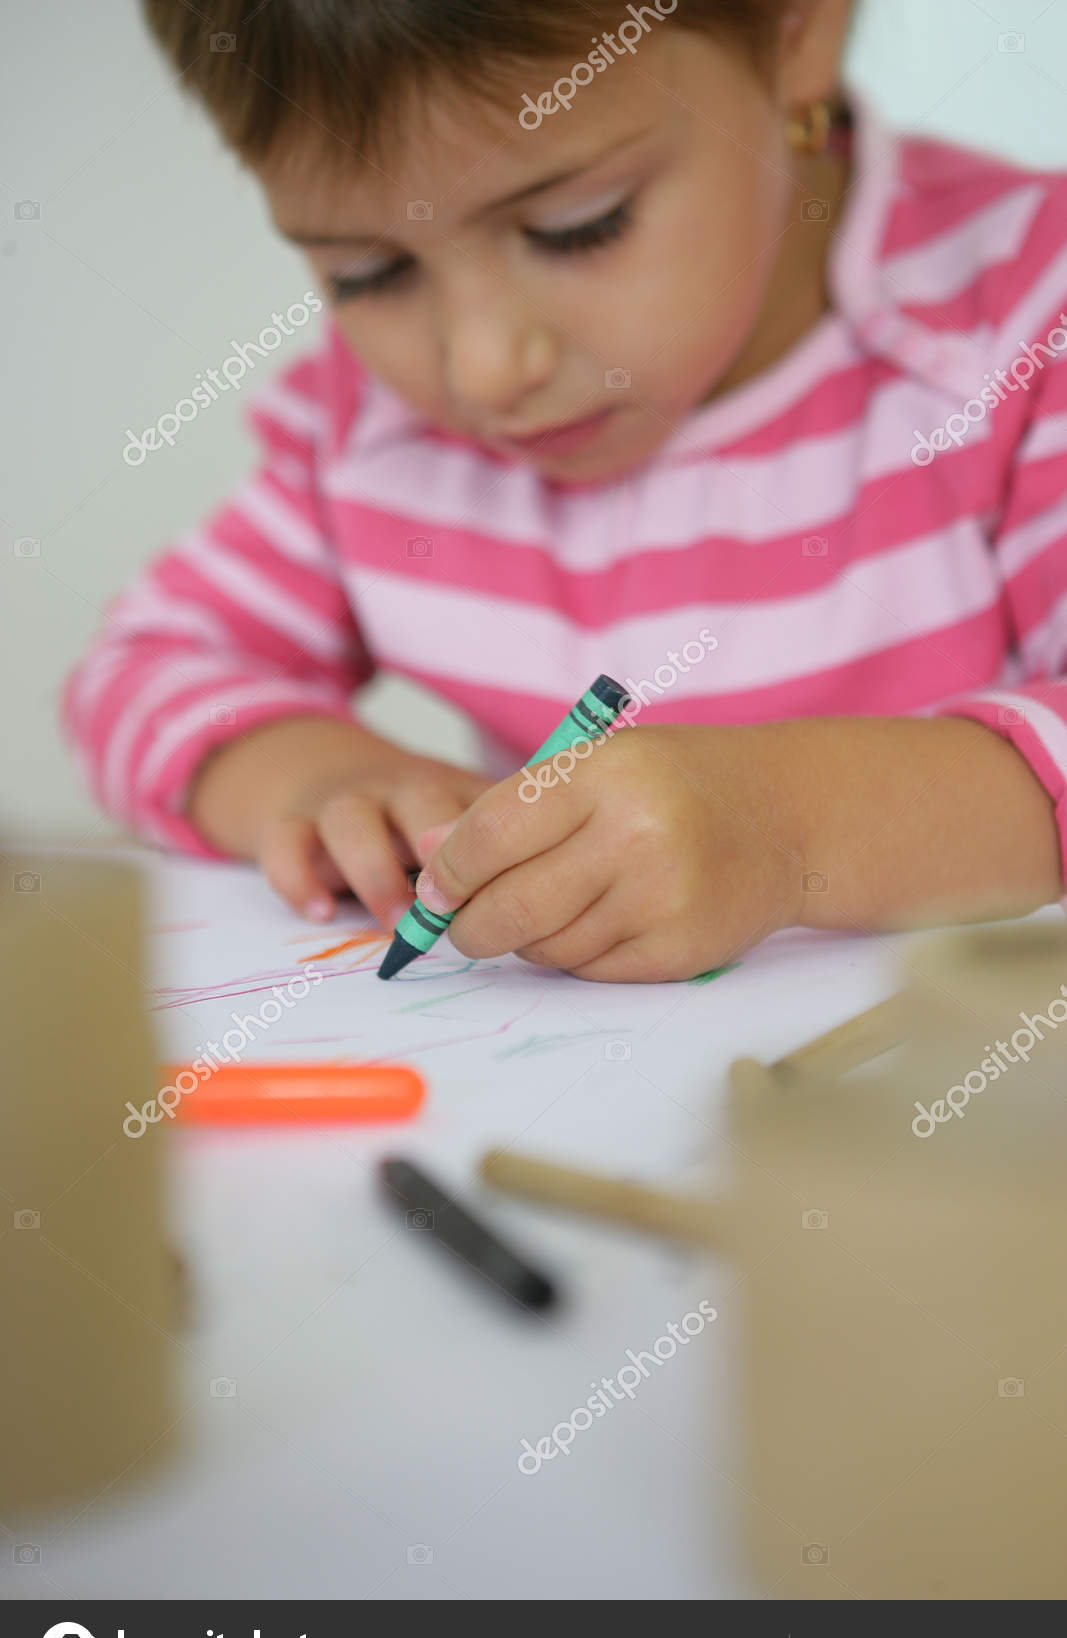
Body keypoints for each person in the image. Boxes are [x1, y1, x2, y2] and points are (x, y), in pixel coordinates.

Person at [66, 1, 1067, 981]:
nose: (486, 367)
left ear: (793, 28)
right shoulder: (370, 427)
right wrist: (319, 777)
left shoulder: (1028, 314)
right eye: (368, 273)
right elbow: (142, 668)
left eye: (575, 227)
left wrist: (783, 826)